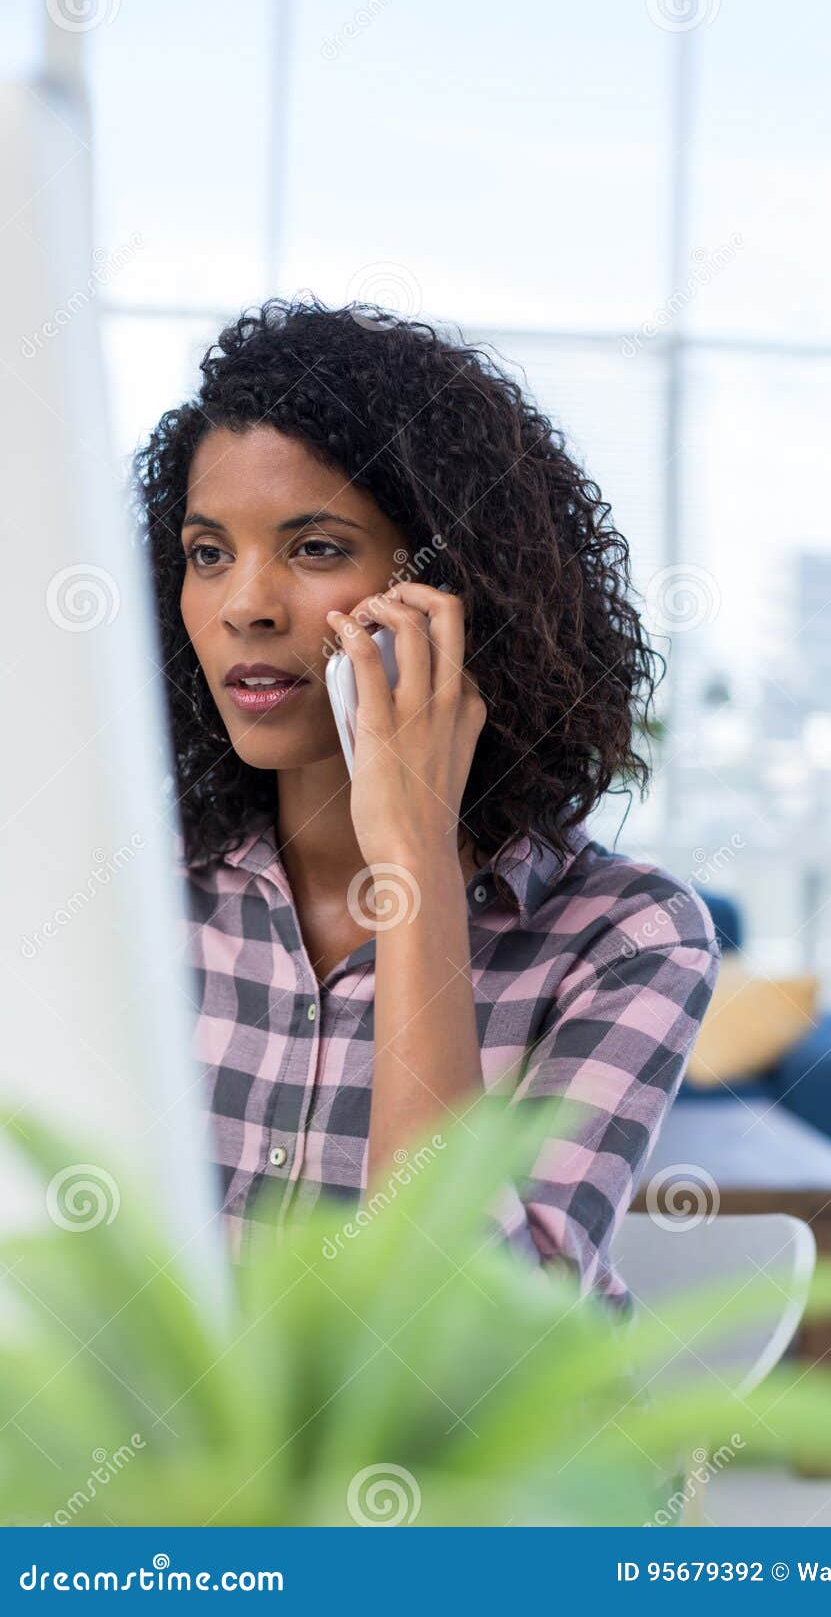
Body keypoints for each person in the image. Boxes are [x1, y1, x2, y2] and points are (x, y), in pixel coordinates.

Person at [133, 296, 720, 1310]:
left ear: (456, 591)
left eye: (314, 547)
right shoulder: (137, 888)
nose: (244, 604)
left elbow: (470, 1333)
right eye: (208, 551)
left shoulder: (627, 939)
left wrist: (414, 867)